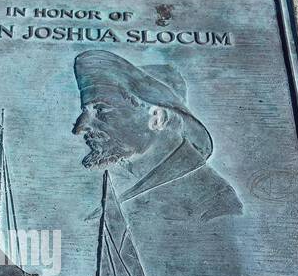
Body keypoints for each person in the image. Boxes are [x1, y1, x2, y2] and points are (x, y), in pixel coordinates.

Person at [70, 49, 243, 223]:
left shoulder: (214, 208)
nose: (80, 128)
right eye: (85, 112)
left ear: (158, 119)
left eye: (101, 109)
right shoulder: (127, 181)